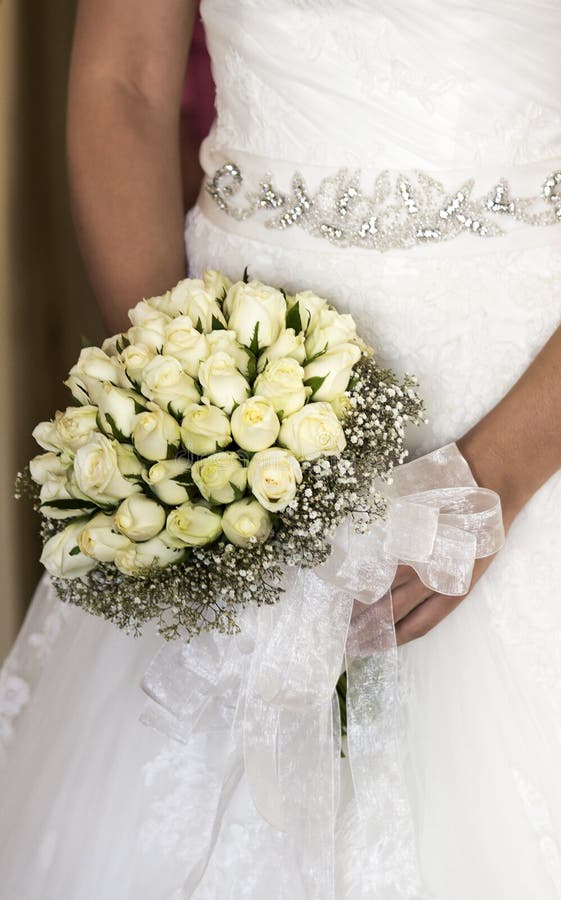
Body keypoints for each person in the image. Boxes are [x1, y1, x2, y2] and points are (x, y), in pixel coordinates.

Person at [2, 1, 561, 897]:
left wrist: (500, 469)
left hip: (527, 391)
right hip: (233, 364)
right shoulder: (192, 406)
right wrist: (177, 405)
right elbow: (125, 83)